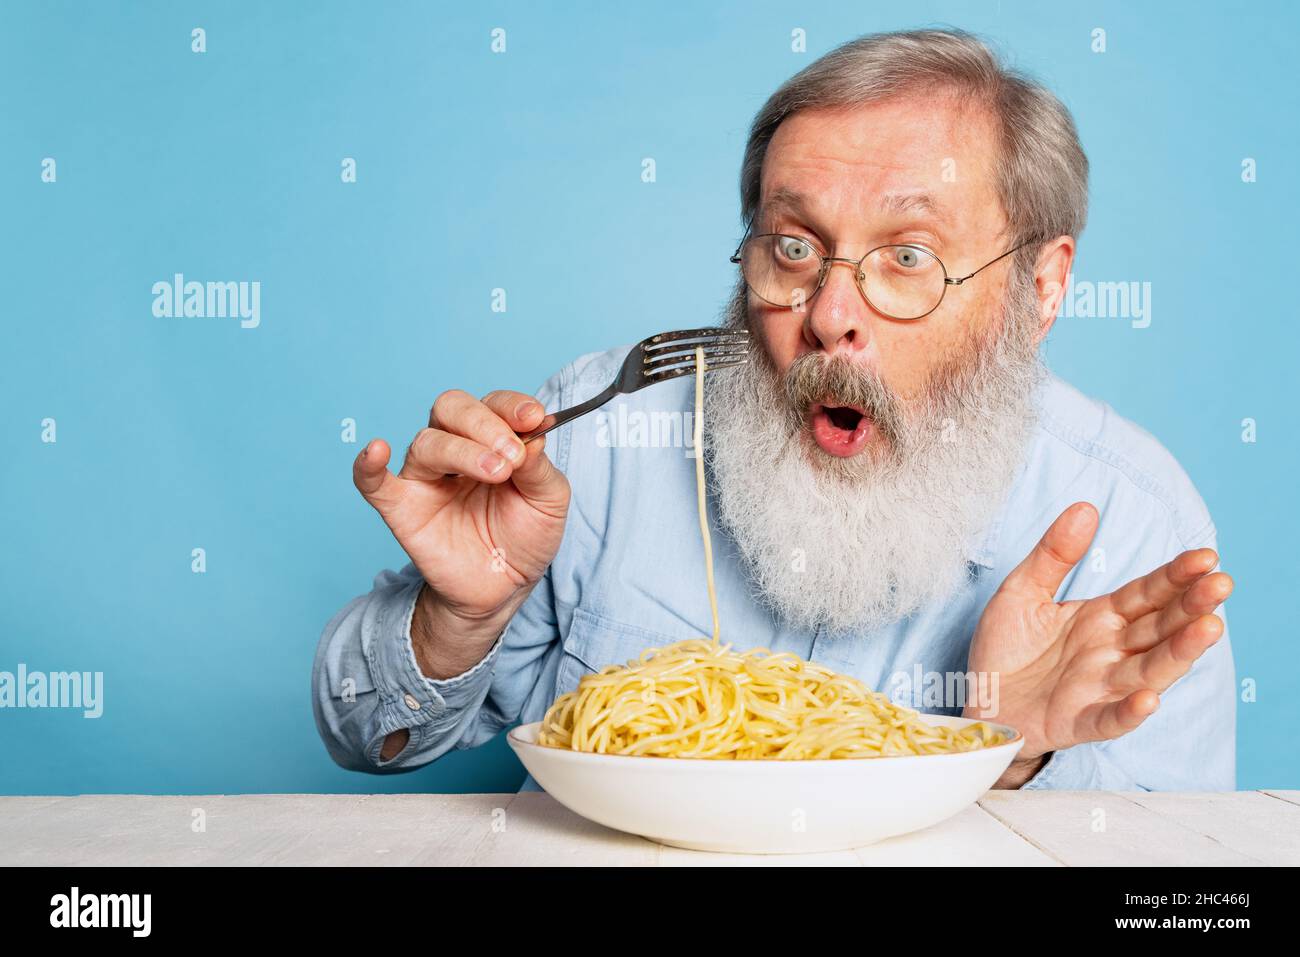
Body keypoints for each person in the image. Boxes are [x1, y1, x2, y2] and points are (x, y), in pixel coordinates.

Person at [313, 29, 1234, 790]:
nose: (830, 316)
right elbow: (361, 733)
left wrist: (1008, 755)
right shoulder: (596, 435)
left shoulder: (1133, 525)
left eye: (908, 257)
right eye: (793, 246)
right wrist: (454, 622)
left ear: (1041, 289)